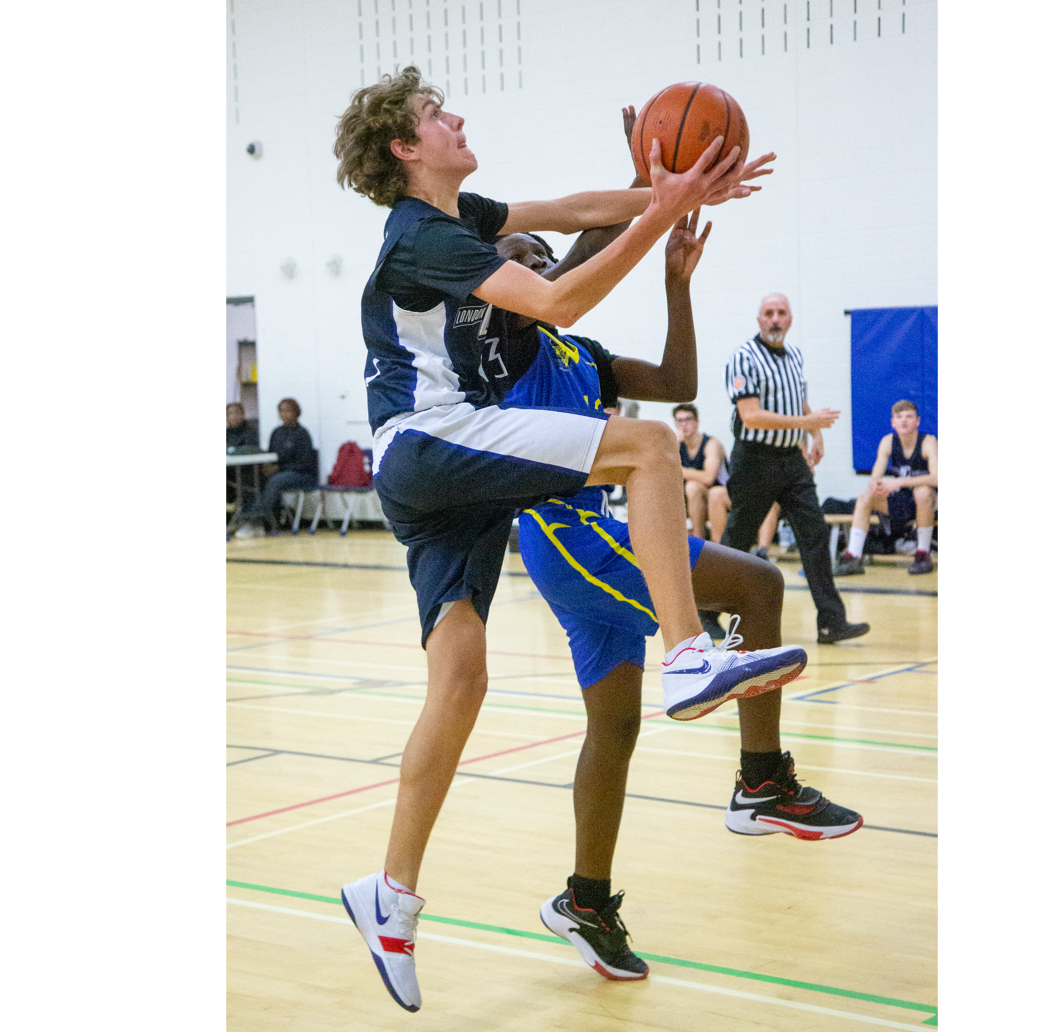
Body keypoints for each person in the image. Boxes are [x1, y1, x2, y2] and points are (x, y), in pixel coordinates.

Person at [329, 67, 796, 1013]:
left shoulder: (463, 217)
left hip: (424, 472)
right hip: (429, 439)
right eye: (435, 114)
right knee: (650, 446)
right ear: (404, 149)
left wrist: (677, 192)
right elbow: (560, 303)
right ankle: (690, 654)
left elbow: (578, 206)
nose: (455, 116)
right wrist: (659, 215)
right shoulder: (423, 238)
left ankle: (389, 896)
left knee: (461, 679)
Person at [494, 220, 863, 981]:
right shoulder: (508, 336)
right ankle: (760, 781)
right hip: (564, 535)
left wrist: (675, 282)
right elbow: (558, 289)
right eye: (521, 256)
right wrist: (642, 195)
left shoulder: (580, 353)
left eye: (541, 251)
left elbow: (676, 384)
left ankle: (584, 901)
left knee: (616, 726)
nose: (535, 261)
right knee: (759, 584)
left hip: (590, 533)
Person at [720, 294, 871, 645]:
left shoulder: (795, 355)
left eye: (781, 313)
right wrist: (807, 421)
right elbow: (751, 415)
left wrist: (814, 433)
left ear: (790, 319)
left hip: (791, 459)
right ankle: (708, 612)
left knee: (815, 535)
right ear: (758, 320)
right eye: (769, 314)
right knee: (738, 538)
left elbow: (798, 399)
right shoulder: (744, 357)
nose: (775, 319)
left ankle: (832, 621)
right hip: (754, 459)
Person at [834, 399, 938, 576]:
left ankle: (922, 554)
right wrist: (876, 485)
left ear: (917, 421)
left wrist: (898, 482)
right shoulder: (888, 441)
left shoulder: (928, 442)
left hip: (928, 503)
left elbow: (937, 478)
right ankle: (853, 556)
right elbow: (875, 475)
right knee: (866, 496)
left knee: (922, 491)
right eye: (899, 417)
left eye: (909, 416)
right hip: (903, 500)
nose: (904, 420)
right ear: (893, 422)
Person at [237, 398, 318, 531]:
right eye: (281, 411)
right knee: (253, 479)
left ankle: (256, 522)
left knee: (275, 481)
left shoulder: (302, 434)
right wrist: (266, 467)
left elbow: (305, 464)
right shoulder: (277, 433)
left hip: (302, 474)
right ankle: (244, 517)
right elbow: (272, 455)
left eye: (288, 411)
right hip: (280, 472)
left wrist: (279, 468)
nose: (284, 414)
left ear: (296, 412)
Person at [673, 403, 730, 543]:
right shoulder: (677, 445)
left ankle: (699, 539)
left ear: (697, 422)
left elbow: (709, 478)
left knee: (693, 487)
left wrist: (676, 469)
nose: (683, 425)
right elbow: (659, 472)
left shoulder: (711, 444)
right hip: (694, 499)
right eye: (679, 421)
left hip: (721, 493)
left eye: (688, 419)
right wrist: (671, 445)